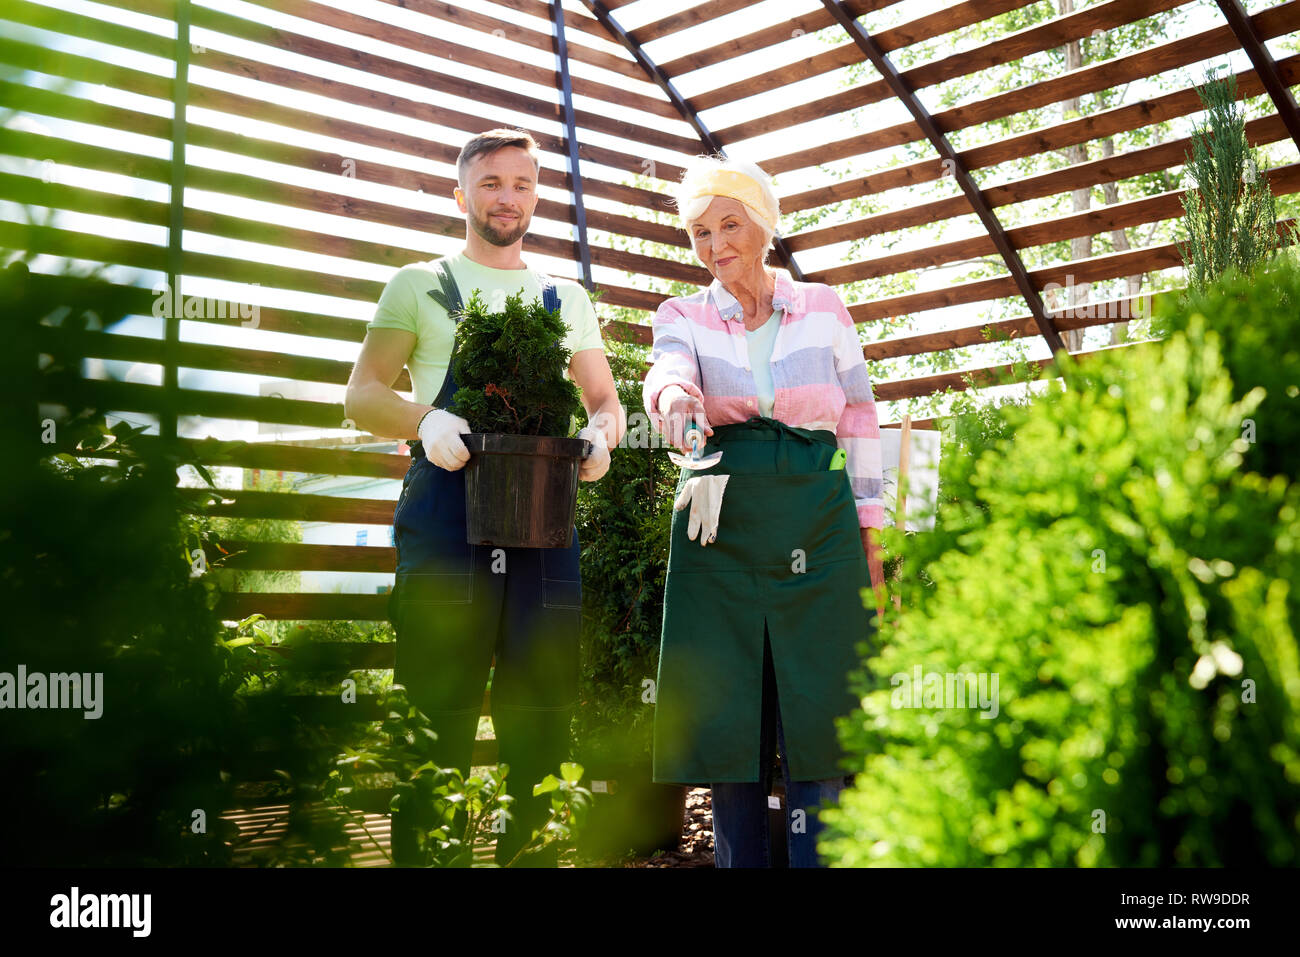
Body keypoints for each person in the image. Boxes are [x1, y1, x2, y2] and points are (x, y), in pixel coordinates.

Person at [344, 128, 624, 867]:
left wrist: (599, 439)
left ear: (538, 194)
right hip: (445, 517)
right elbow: (363, 395)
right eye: (492, 181)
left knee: (540, 718)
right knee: (436, 718)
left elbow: (604, 399)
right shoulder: (419, 282)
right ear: (461, 192)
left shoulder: (564, 297)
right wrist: (425, 417)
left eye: (523, 183)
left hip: (543, 519)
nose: (508, 196)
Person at [643, 154, 887, 868]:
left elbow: (861, 420)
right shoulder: (682, 314)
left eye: (729, 225)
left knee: (820, 712)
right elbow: (667, 371)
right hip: (720, 519)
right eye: (699, 232)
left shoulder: (825, 308)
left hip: (819, 516)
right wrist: (676, 401)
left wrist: (871, 530)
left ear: (765, 226)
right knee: (728, 721)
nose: (716, 246)